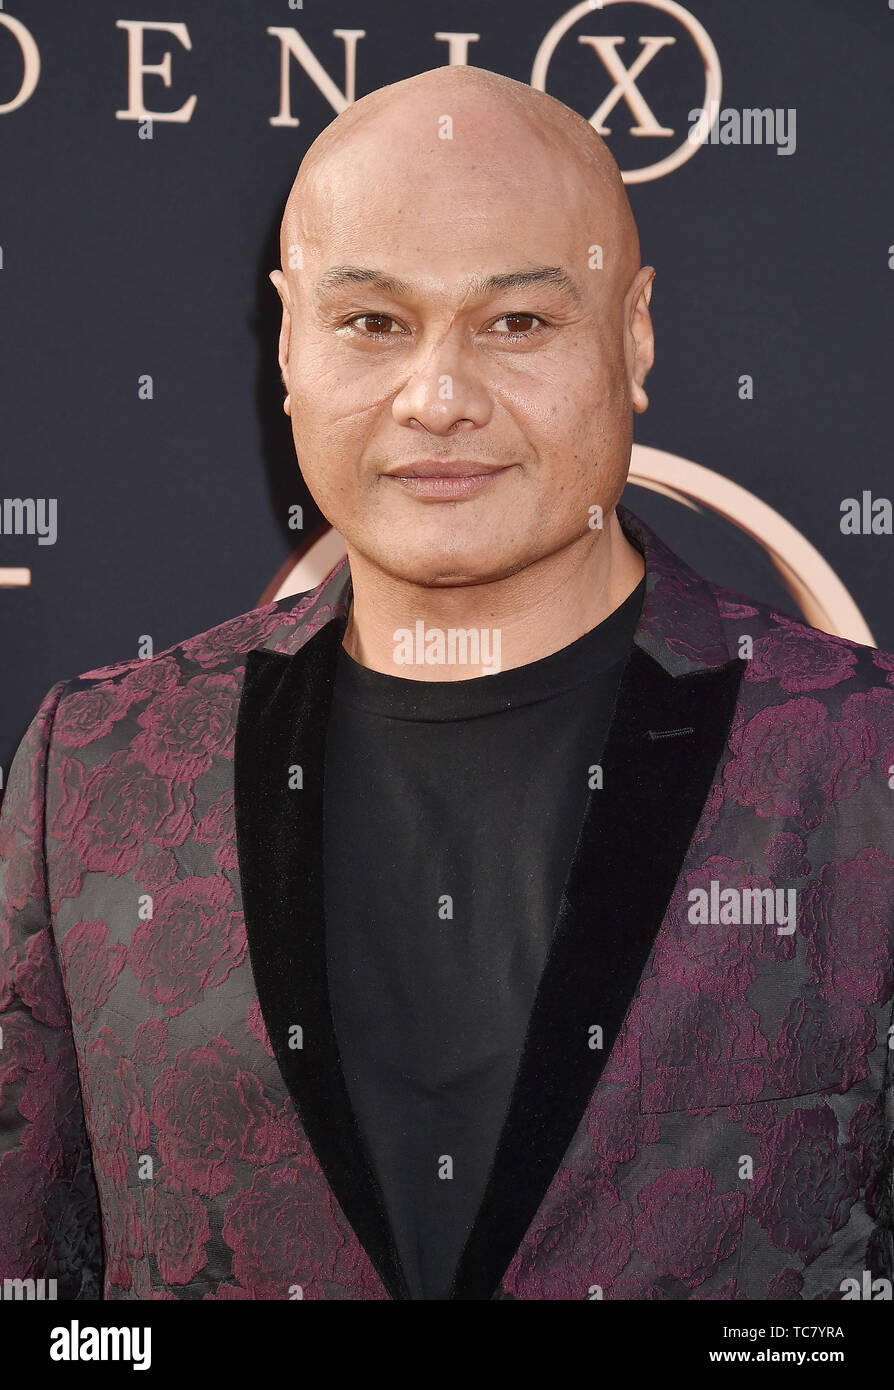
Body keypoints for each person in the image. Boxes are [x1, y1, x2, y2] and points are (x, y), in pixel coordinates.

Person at [0, 64, 891, 1302]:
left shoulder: (864, 763)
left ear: (632, 338)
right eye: (373, 323)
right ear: (291, 342)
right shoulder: (92, 769)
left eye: (516, 322)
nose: (439, 398)